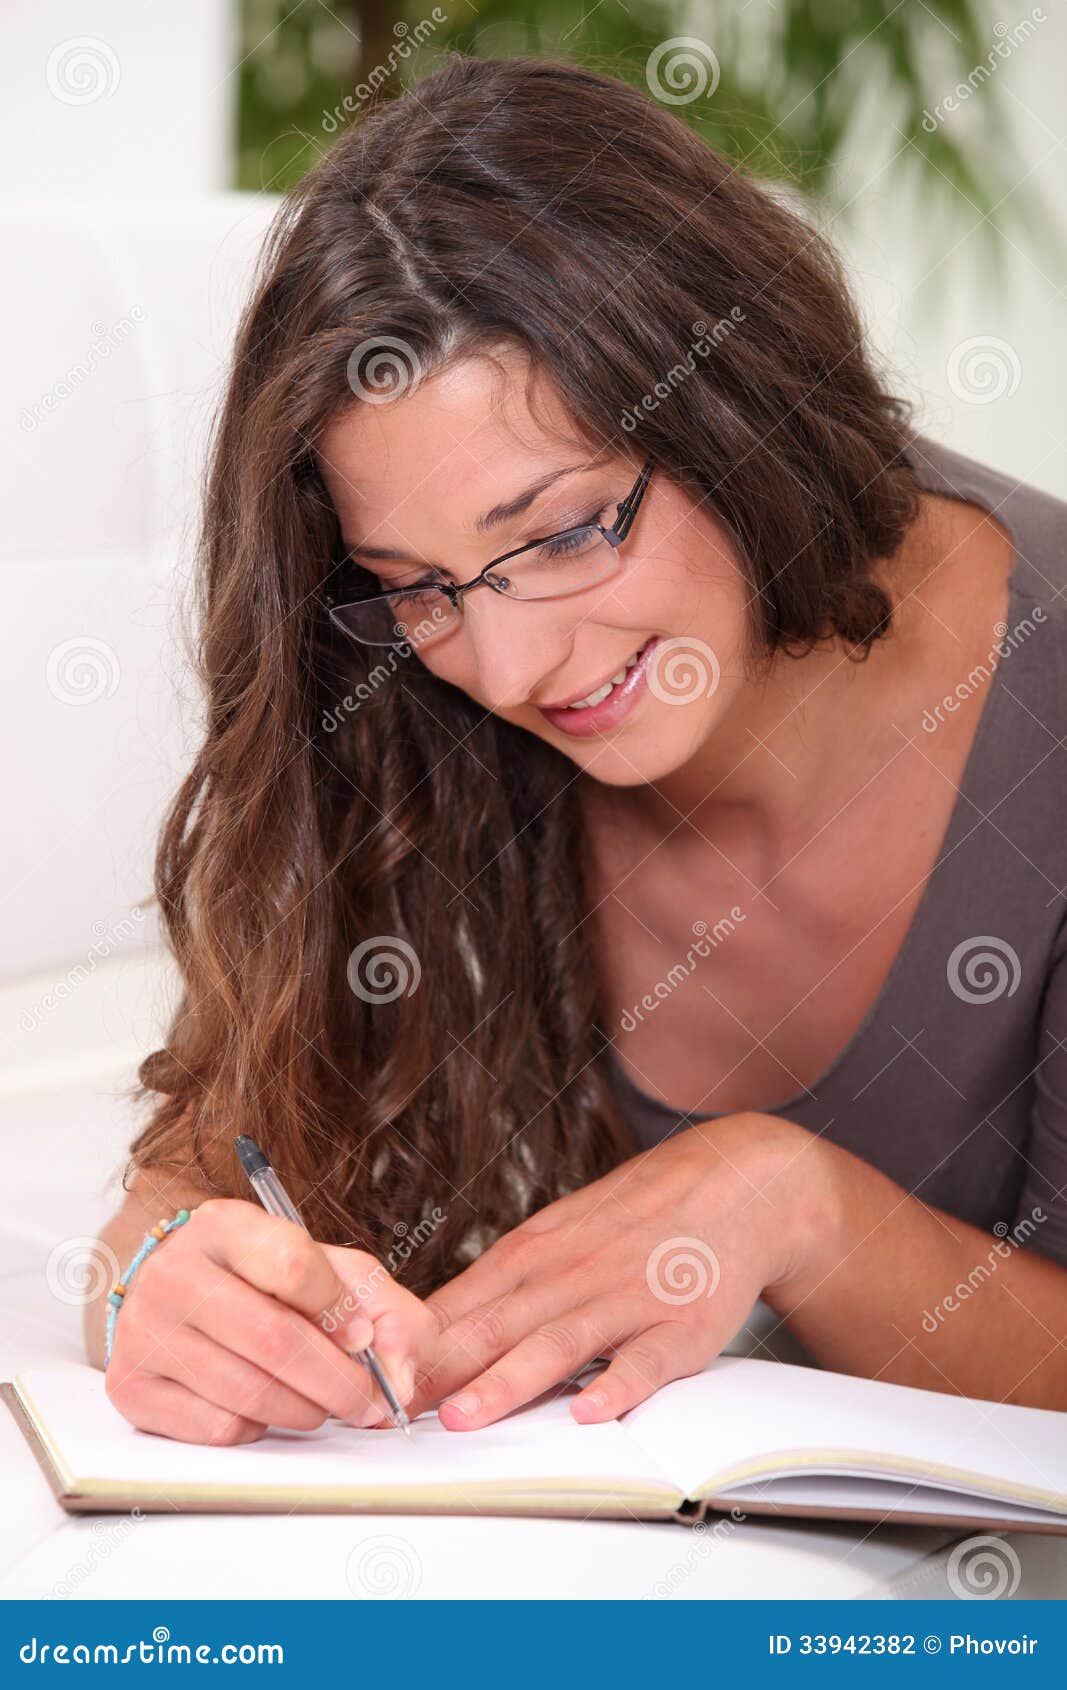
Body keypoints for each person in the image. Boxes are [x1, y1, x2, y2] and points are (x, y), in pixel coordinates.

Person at [86, 54, 1067, 1445]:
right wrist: (161, 1272)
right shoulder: (409, 698)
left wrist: (793, 1202)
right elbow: (210, 1157)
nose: (508, 665)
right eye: (417, 581)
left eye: (557, 532)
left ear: (737, 401)